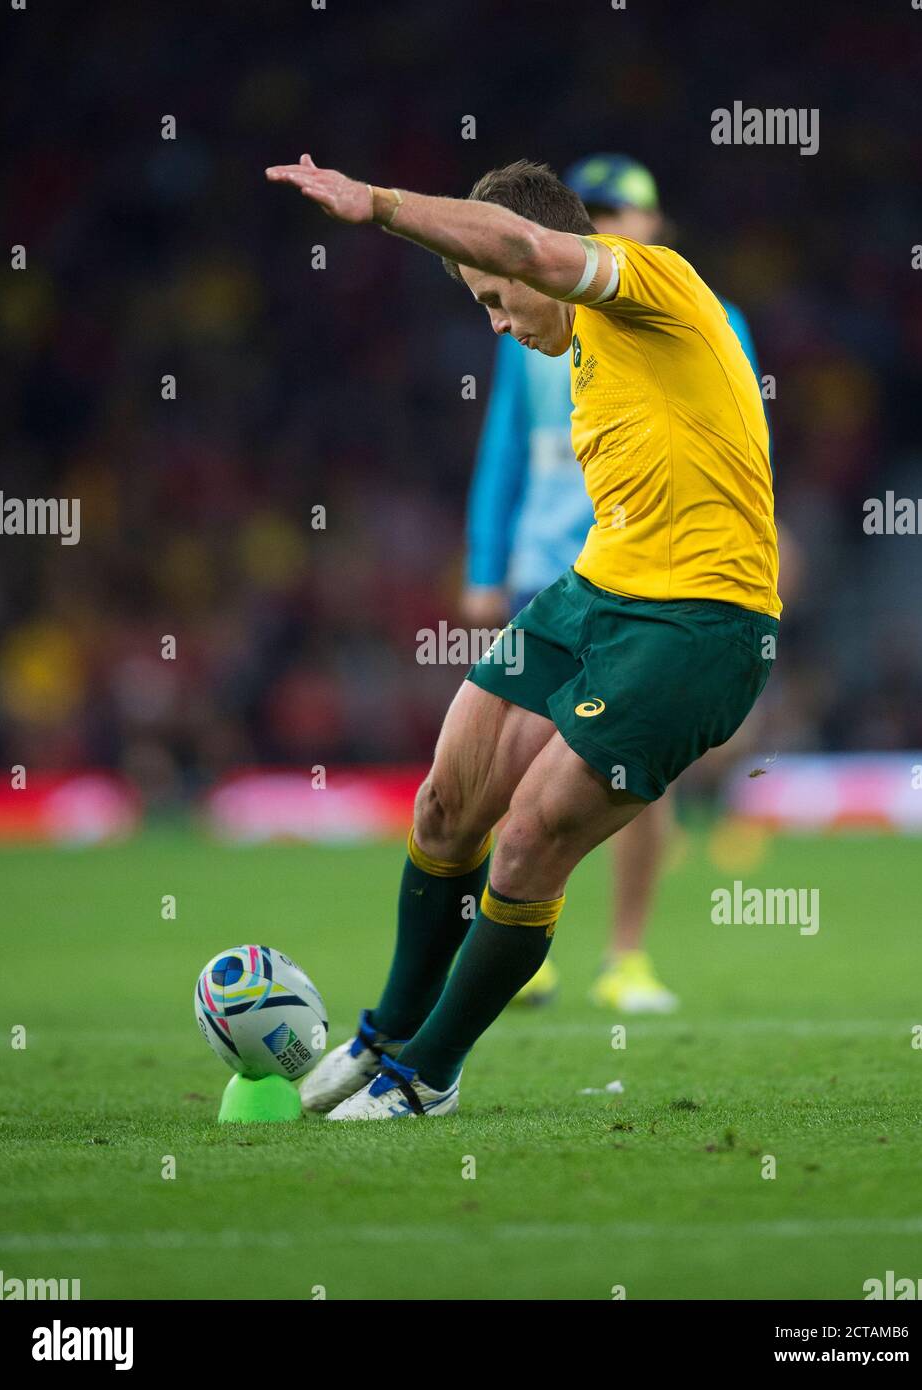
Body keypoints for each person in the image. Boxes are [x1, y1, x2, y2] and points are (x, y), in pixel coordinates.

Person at [265, 153, 780, 1120]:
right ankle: (384, 1036)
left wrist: (375, 205)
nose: (498, 323)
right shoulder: (578, 353)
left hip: (701, 623)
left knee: (530, 839)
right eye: (480, 307)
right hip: (591, 595)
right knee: (443, 808)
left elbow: (518, 245)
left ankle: (427, 1075)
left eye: (499, 300)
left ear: (547, 258)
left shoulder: (647, 281)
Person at [463, 154, 766, 1013]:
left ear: (656, 227)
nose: (605, 226)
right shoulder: (526, 319)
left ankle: (624, 955)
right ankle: (518, 936)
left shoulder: (704, 313)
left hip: (657, 572)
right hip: (548, 566)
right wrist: (484, 565)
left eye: (618, 211)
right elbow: (504, 453)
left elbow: (743, 440)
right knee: (497, 761)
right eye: (590, 213)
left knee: (632, 773)